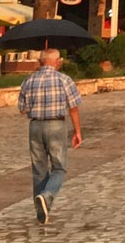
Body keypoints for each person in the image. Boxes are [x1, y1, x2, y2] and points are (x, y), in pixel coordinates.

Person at [17, 49, 82, 224]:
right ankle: (47, 196)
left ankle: (41, 213)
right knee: (59, 168)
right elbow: (73, 107)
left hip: (35, 125)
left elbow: (22, 109)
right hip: (56, 125)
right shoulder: (64, 80)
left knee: (39, 169)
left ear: (41, 61)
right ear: (56, 61)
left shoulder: (29, 80)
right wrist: (77, 131)